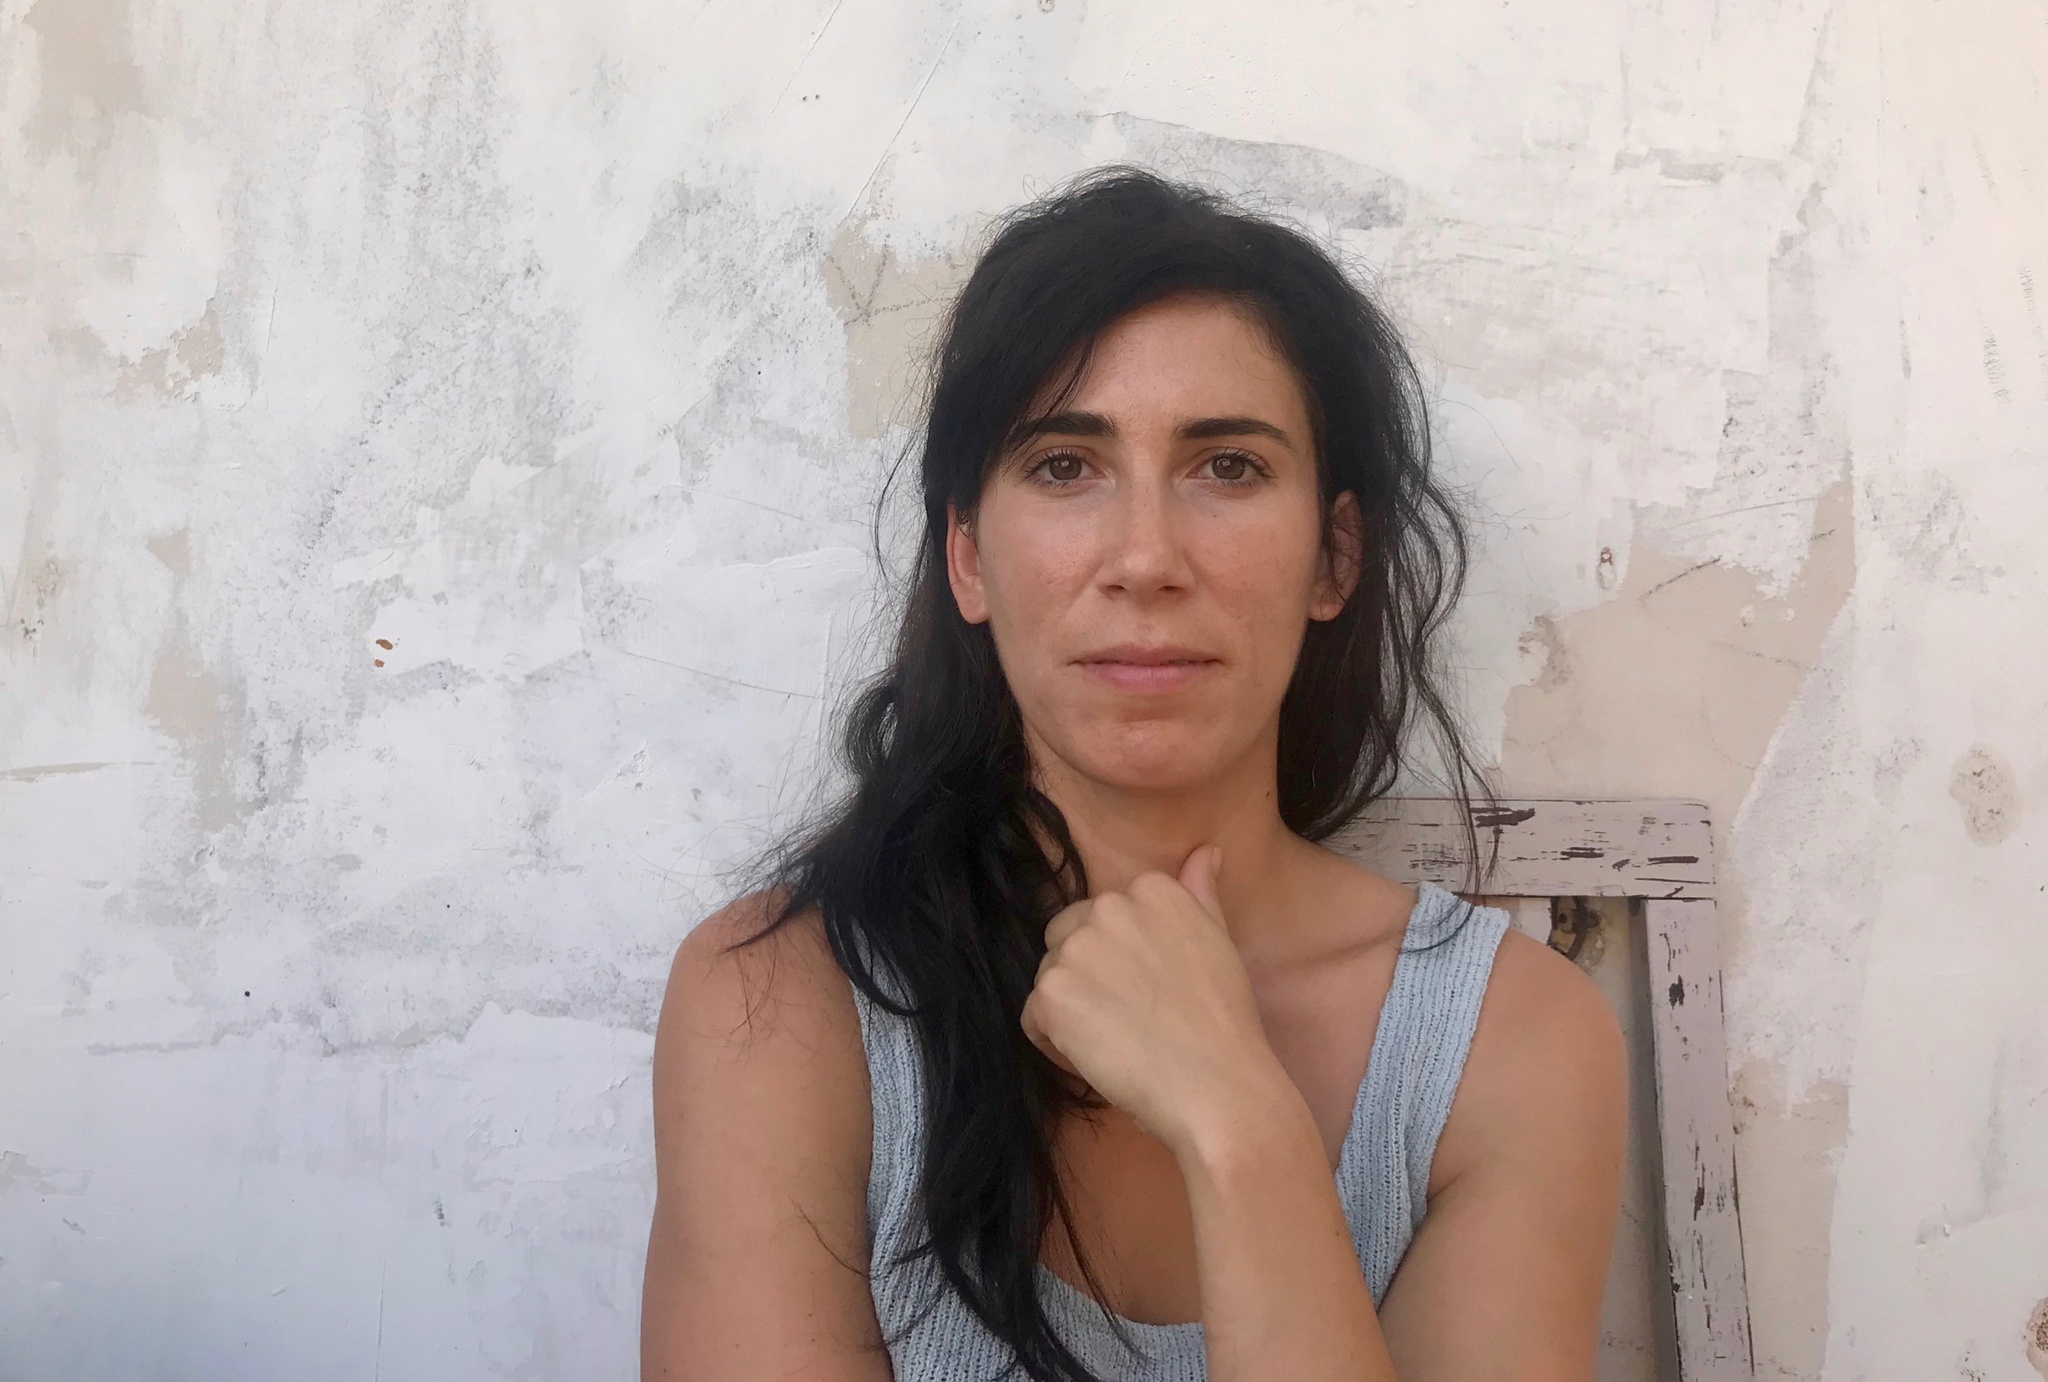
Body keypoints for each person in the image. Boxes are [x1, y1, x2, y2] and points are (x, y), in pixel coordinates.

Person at [640, 169, 1625, 1382]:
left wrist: (1240, 1126)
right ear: (967, 558)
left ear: (1332, 558)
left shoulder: (1508, 1040)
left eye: (1227, 468)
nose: (1146, 557)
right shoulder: (782, 1003)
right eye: (1064, 465)